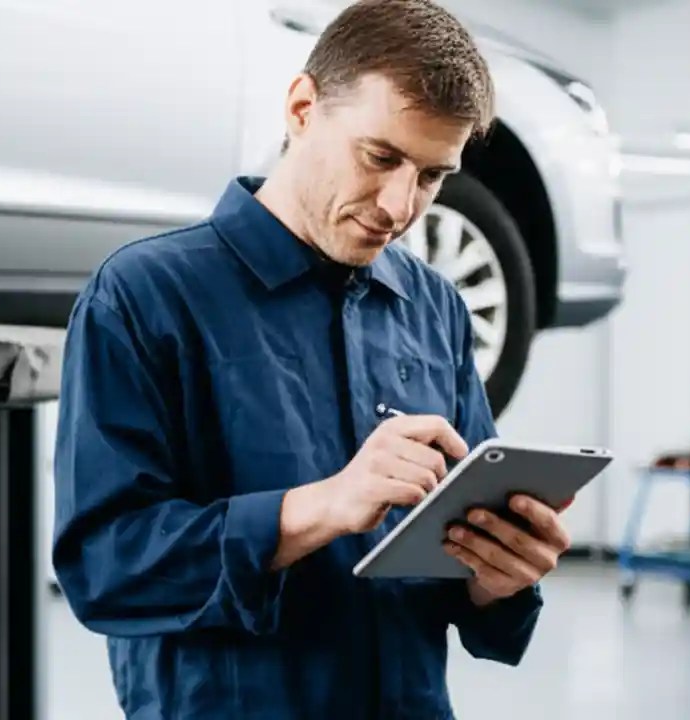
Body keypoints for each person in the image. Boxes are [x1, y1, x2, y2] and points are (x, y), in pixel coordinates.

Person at [52, 0, 572, 717]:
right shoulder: (146, 295)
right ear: (302, 108)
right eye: (380, 156)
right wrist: (319, 508)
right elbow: (107, 568)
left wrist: (500, 576)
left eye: (431, 176)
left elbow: (457, 569)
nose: (399, 205)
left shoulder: (435, 308)